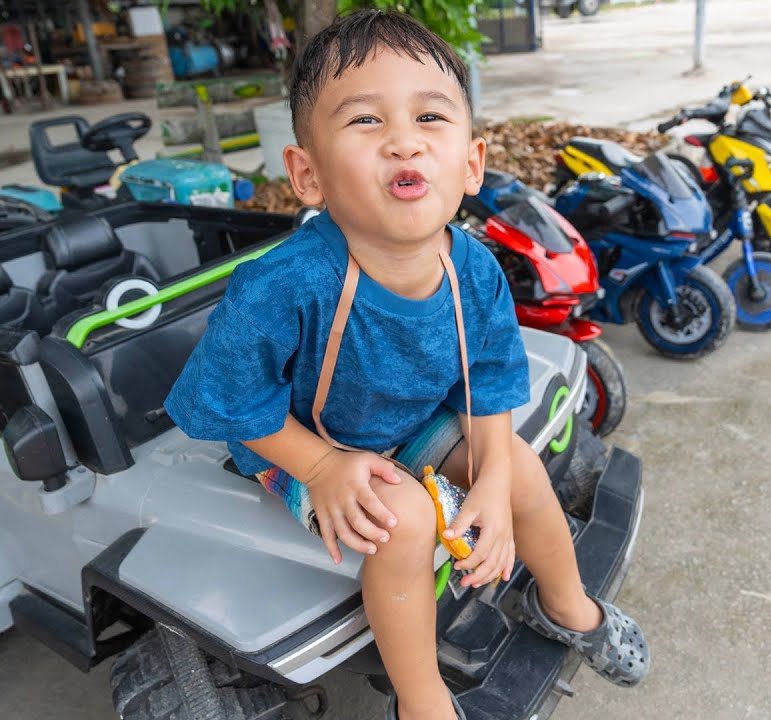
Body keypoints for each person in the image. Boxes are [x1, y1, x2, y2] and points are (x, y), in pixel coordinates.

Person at [164, 10, 648, 720]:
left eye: (429, 117)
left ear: (471, 163)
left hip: (413, 421)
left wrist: (489, 486)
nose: (402, 142)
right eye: (364, 122)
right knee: (406, 521)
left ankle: (566, 603)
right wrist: (321, 468)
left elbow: (486, 379)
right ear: (308, 174)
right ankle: (423, 704)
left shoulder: (473, 270)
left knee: (513, 461)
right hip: (300, 441)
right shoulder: (283, 285)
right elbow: (229, 401)